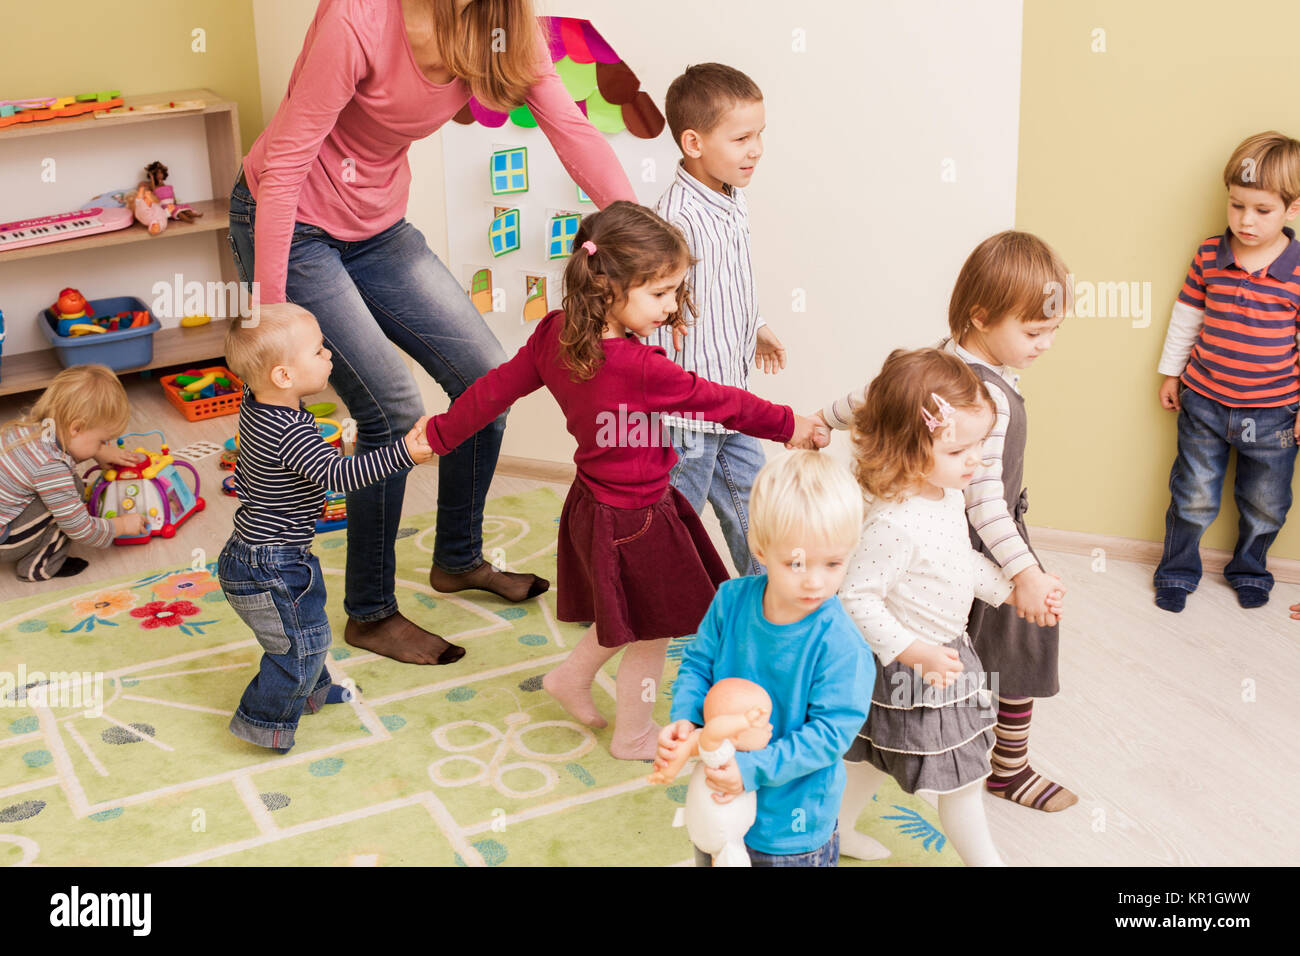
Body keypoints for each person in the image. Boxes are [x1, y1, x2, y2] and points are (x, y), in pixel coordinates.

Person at [227, 0, 637, 666]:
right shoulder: (357, 21)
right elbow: (288, 163)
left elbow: (571, 127)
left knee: (486, 377)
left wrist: (636, 236)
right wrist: (273, 312)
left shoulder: (502, 22)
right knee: (391, 407)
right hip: (291, 220)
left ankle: (457, 558)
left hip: (377, 228)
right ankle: (371, 612)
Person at [417, 202, 828, 759]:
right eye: (659, 294)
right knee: (653, 629)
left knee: (630, 616)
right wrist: (790, 424)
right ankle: (633, 734)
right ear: (608, 287)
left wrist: (439, 434)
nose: (671, 306)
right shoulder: (641, 367)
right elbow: (719, 403)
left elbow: (493, 392)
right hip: (635, 515)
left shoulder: (555, 333)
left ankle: (569, 679)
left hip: (593, 502)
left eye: (675, 292)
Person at [818, 230, 1077, 814]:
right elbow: (985, 506)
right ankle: (1002, 768)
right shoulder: (986, 396)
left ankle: (971, 749)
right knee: (1013, 651)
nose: (1047, 344)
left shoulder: (941, 359)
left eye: (1053, 330)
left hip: (959, 536)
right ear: (981, 317)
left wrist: (822, 416)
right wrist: (1024, 574)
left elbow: (874, 394)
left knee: (990, 654)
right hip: (965, 542)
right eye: (1035, 332)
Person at [835, 349, 1055, 865]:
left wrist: (1009, 590)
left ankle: (835, 831)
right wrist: (914, 652)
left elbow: (957, 562)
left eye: (979, 445)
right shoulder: (893, 523)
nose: (977, 461)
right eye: (961, 451)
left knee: (869, 758)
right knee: (963, 778)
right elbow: (855, 599)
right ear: (910, 450)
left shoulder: (945, 497)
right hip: (911, 668)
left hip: (943, 657)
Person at [219, 303, 435, 753]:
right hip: (270, 563)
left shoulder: (257, 401)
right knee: (298, 645)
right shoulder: (289, 434)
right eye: (318, 352)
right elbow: (342, 477)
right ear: (282, 376)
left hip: (268, 553)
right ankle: (264, 723)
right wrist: (405, 455)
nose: (330, 356)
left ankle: (311, 692)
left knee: (307, 629)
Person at [657, 451, 873, 866]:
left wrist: (753, 769)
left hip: (792, 827)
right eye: (796, 563)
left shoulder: (842, 646)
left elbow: (830, 735)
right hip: (717, 805)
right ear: (759, 546)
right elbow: (697, 664)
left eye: (833, 563)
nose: (814, 580)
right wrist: (685, 718)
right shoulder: (731, 601)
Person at [645, 63, 786, 576]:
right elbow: (651, 301)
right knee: (676, 513)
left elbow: (730, 281)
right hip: (686, 413)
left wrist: (758, 325)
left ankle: (771, 598)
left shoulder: (733, 199)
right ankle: (639, 597)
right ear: (694, 142)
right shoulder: (675, 218)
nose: (757, 149)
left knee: (756, 505)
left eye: (760, 135)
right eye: (743, 137)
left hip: (733, 396)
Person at [1155, 131, 1300, 613]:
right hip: (1204, 402)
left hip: (1275, 412)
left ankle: (1250, 570)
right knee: (1192, 496)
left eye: (1262, 210)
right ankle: (1176, 570)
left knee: (1266, 504)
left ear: (1292, 209)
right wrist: (1172, 373)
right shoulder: (1209, 256)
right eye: (1237, 206)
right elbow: (1186, 318)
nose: (1245, 220)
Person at [0, 365, 144, 581]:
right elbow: (79, 528)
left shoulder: (27, 430)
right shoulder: (51, 467)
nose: (101, 446)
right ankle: (38, 566)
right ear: (76, 428)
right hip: (6, 541)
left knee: (65, 489)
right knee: (72, 496)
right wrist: (121, 525)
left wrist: (99, 450)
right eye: (100, 441)